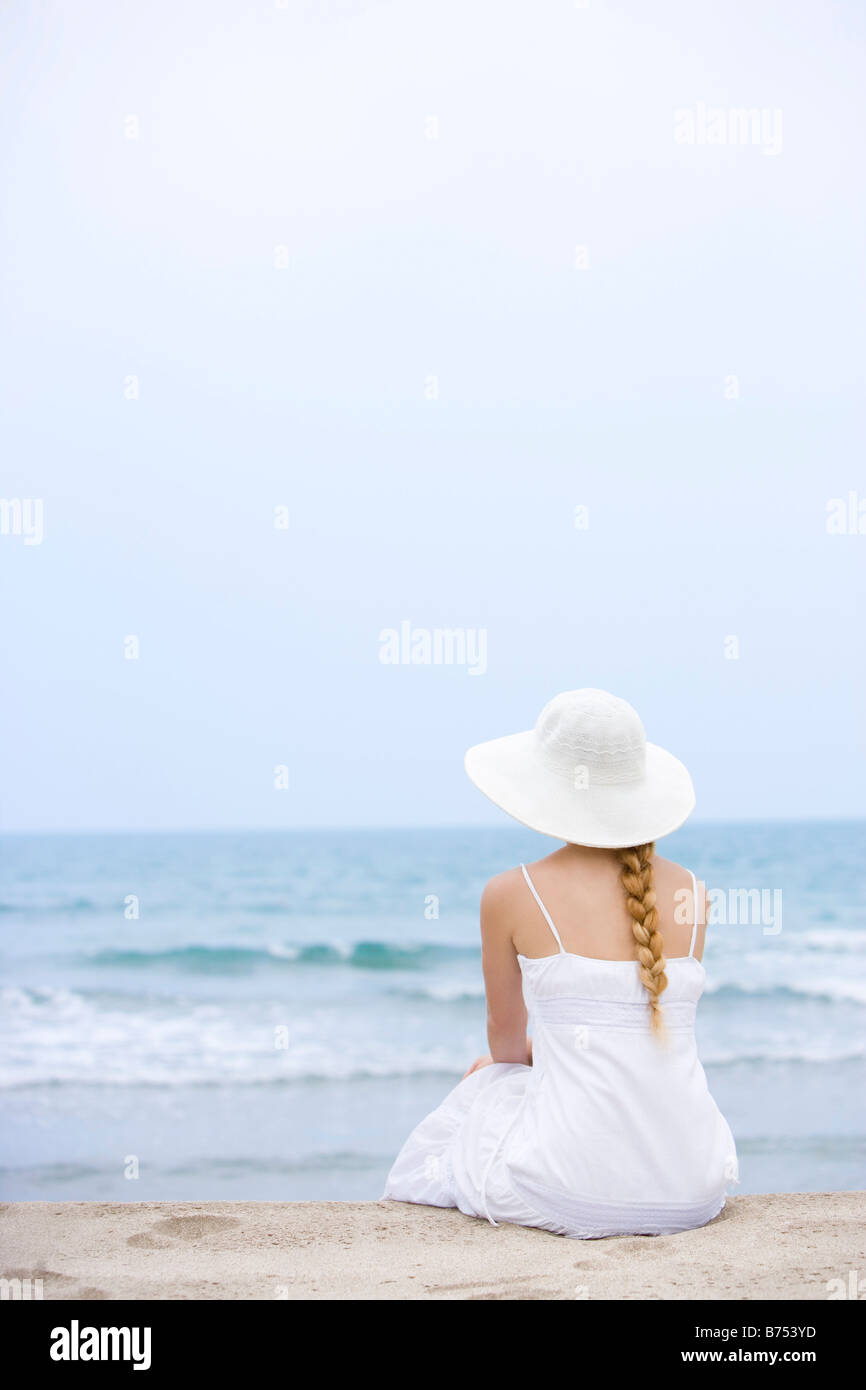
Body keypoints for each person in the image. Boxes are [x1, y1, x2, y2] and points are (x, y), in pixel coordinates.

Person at [382, 688, 738, 1239]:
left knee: (487, 1082)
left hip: (570, 1188)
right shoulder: (694, 891)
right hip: (694, 1187)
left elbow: (505, 1039)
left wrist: (506, 1064)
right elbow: (642, 1037)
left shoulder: (510, 892)